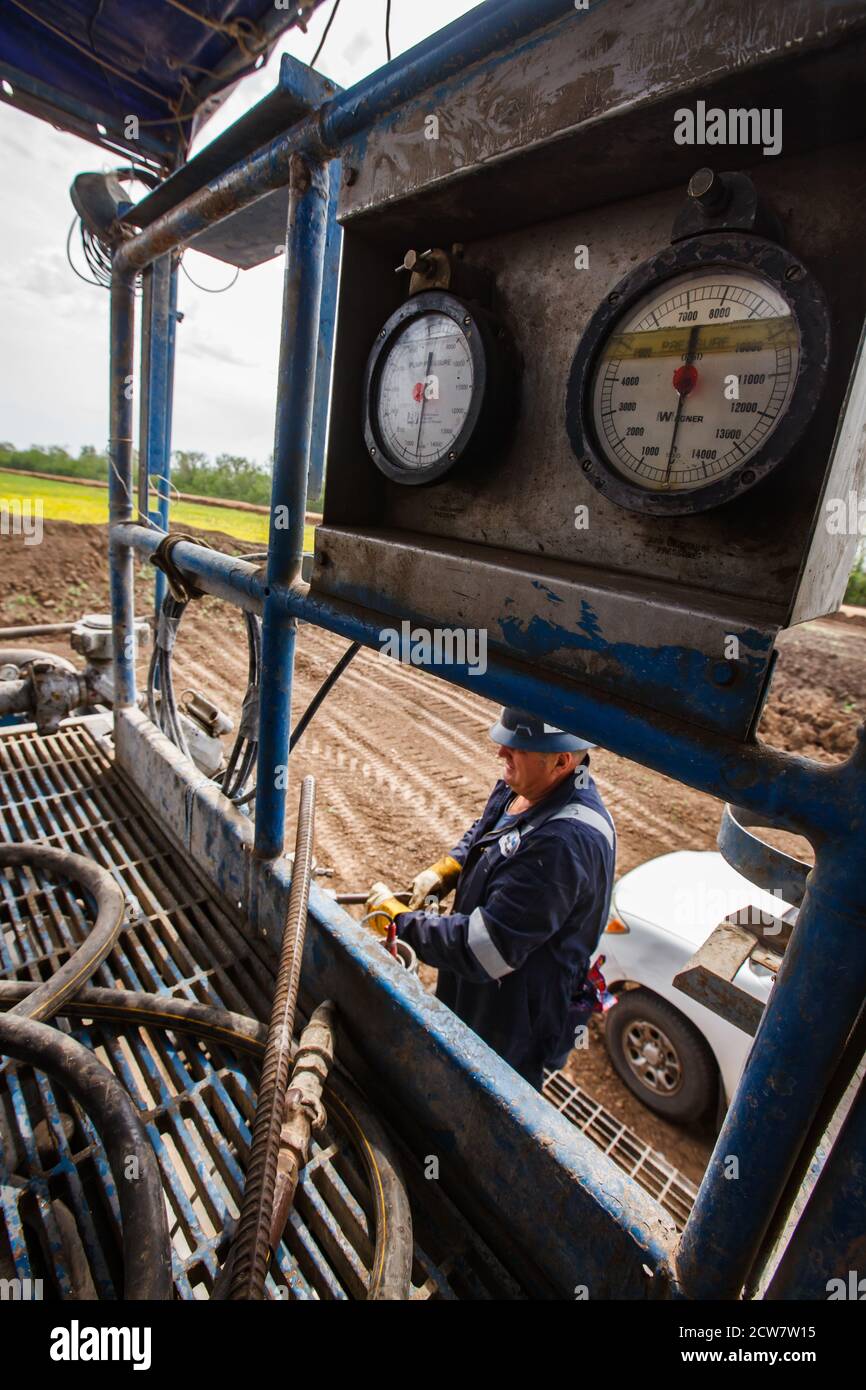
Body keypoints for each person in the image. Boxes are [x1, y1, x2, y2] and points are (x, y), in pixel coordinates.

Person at [366, 706, 616, 1090]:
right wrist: (448, 867)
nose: (501, 753)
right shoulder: (528, 785)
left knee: (483, 1093)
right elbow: (487, 831)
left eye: (515, 748)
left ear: (562, 761)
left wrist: (400, 923)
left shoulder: (562, 845)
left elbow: (485, 949)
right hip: (479, 986)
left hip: (514, 1014)